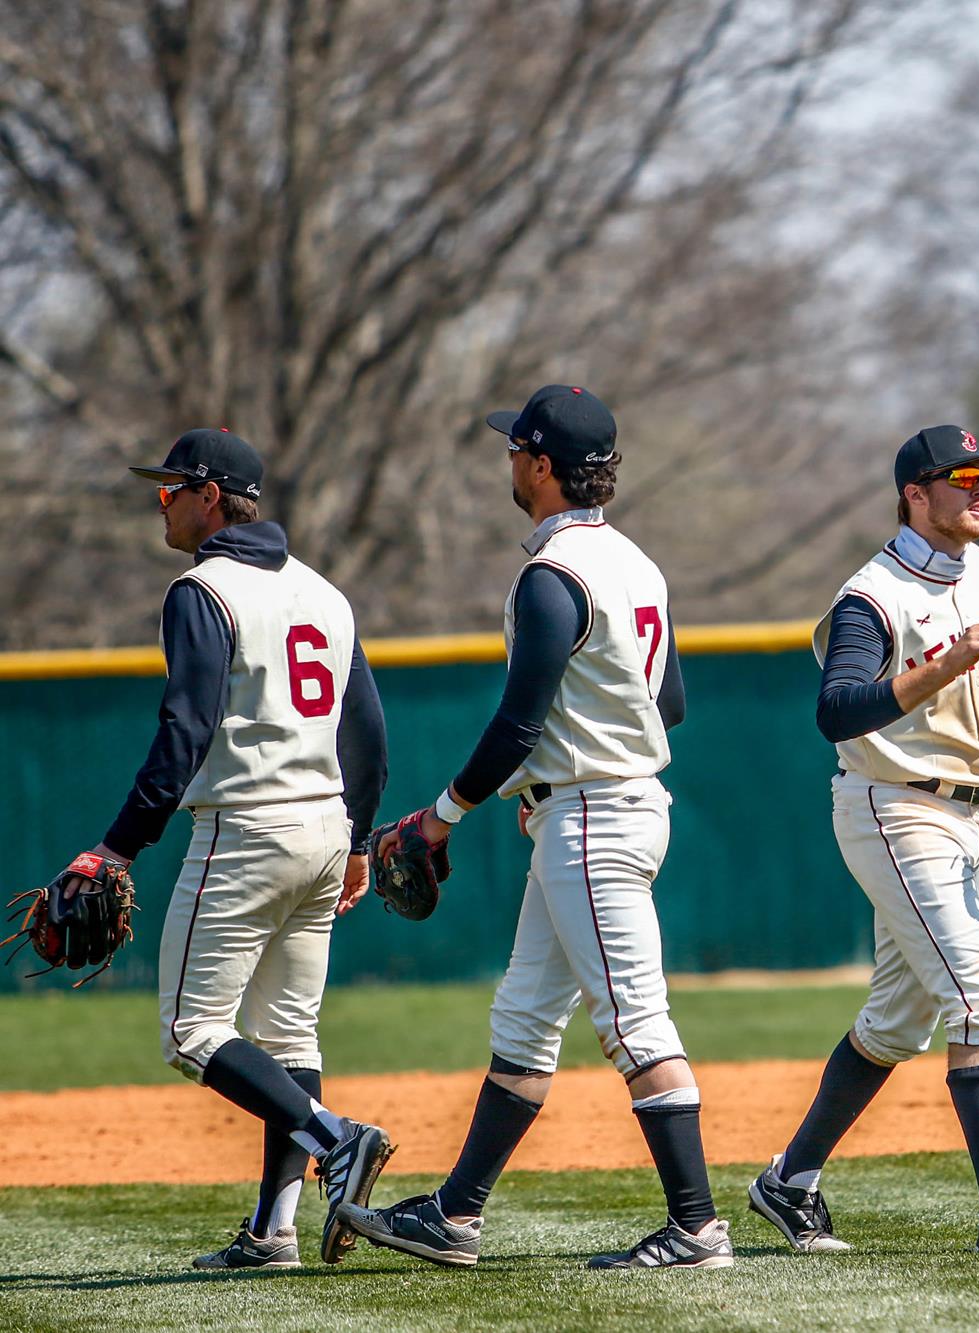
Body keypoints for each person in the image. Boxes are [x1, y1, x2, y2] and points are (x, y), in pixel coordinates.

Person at [337, 384, 728, 1271]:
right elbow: (668, 702)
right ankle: (456, 1213)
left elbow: (519, 721)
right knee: (524, 1020)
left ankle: (698, 1225)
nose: (509, 460)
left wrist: (439, 820)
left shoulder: (553, 575)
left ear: (544, 465)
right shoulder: (638, 564)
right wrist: (555, 771)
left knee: (635, 1023)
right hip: (603, 805)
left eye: (516, 448)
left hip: (593, 817)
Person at [744, 423, 979, 1255]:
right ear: (914, 495)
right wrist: (947, 662)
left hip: (969, 815)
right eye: (960, 478)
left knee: (895, 1023)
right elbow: (836, 709)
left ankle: (787, 1181)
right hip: (894, 806)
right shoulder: (873, 595)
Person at [105, 429, 393, 1270]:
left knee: (193, 1032)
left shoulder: (204, 590)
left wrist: (118, 847)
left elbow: (185, 731)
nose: (160, 503)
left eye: (168, 490)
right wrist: (360, 841)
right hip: (325, 827)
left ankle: (338, 1138)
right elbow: (368, 737)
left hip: (246, 828)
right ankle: (274, 1231)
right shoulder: (325, 593)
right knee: (290, 1037)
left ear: (206, 494)